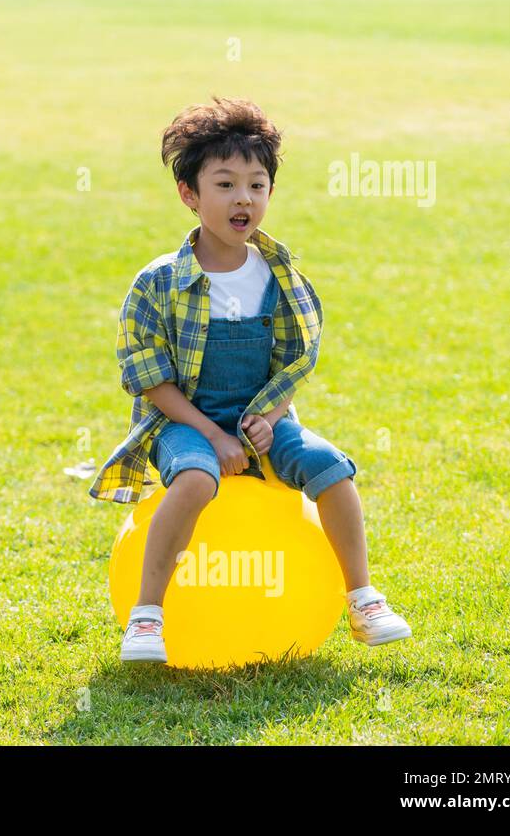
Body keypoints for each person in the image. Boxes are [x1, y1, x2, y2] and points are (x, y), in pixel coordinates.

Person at [90, 96, 411, 663]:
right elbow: (148, 378)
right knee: (193, 479)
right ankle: (147, 616)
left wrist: (268, 418)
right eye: (225, 184)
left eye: (257, 184)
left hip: (261, 418)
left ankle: (362, 598)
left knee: (332, 469)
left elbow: (296, 361)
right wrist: (213, 437)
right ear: (190, 195)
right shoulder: (158, 284)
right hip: (182, 421)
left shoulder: (281, 276)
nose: (244, 198)